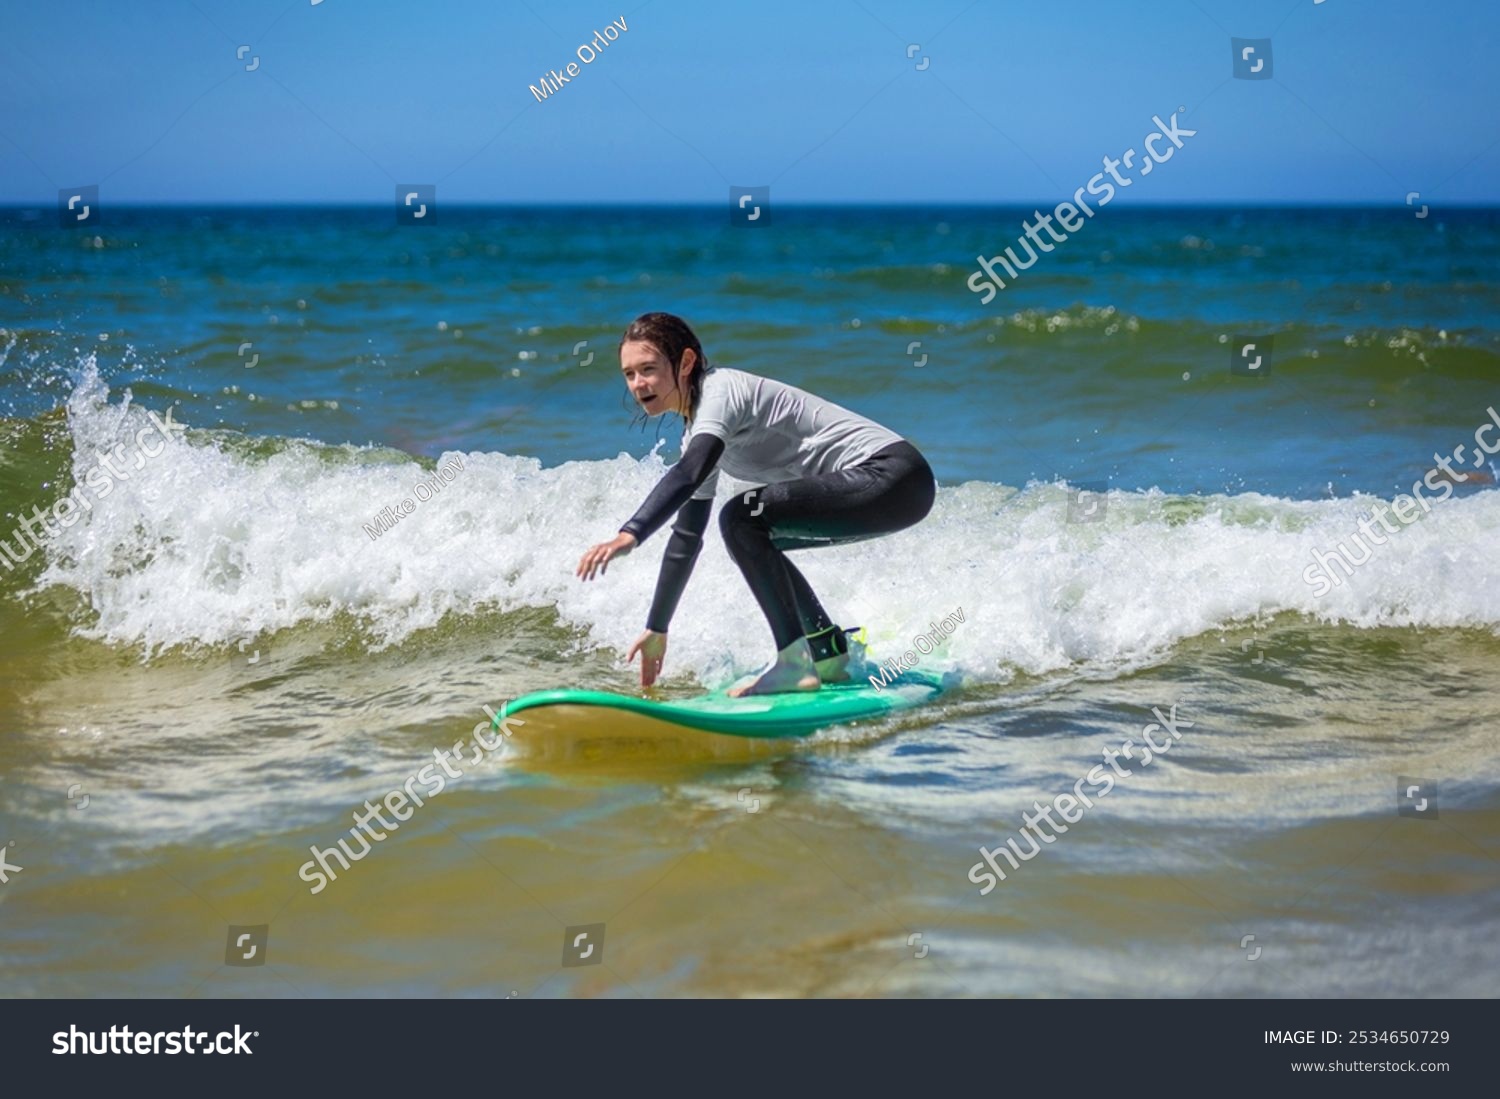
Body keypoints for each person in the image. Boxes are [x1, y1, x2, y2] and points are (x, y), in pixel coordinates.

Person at [575, 312, 936, 697]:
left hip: (893, 475)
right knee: (752, 534)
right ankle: (825, 651)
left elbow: (687, 473)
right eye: (629, 374)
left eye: (648, 369)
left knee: (742, 518)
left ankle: (794, 664)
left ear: (685, 363)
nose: (638, 384)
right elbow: (686, 538)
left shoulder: (720, 391)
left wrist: (630, 534)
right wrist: (657, 628)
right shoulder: (700, 431)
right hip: (895, 492)